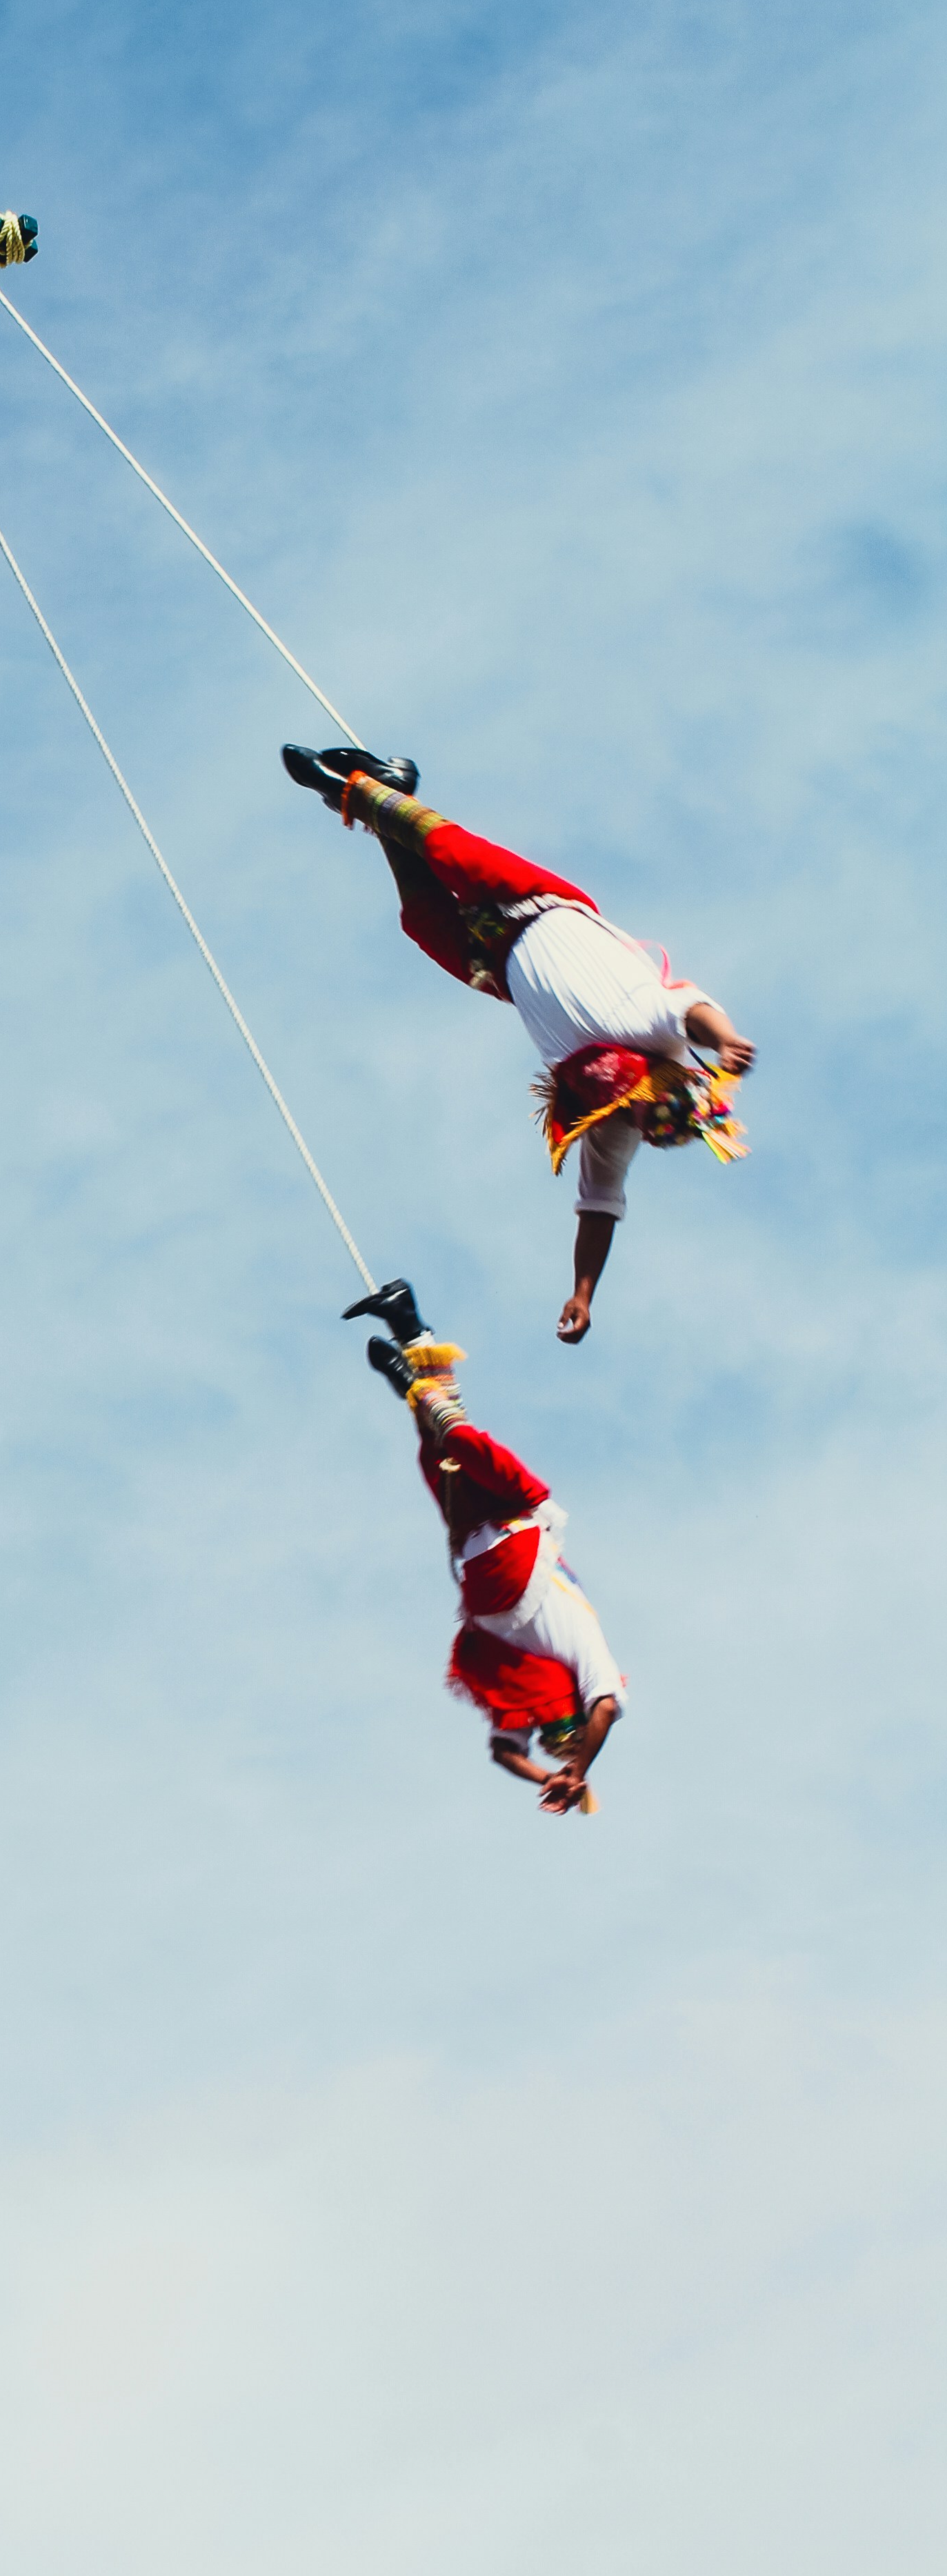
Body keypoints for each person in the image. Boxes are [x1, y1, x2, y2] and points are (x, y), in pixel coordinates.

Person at [283, 745, 752, 1341]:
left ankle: (384, 793)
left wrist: (583, 1293)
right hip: (537, 903)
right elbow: (693, 1010)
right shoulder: (654, 1029)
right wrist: (727, 1041)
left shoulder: (613, 1124)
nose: (625, 1103)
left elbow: (600, 1207)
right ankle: (352, 790)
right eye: (638, 1098)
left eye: (633, 1113)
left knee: (425, 920)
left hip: (498, 965)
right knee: (450, 852)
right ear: (665, 1075)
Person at [347, 1278, 626, 1810]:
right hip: (516, 1524)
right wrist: (577, 1770)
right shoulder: (583, 1656)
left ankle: (408, 1323)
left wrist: (548, 1774)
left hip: (480, 1548)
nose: (544, 1717)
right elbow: (606, 1708)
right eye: (557, 1722)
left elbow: (504, 1751)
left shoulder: (525, 1683)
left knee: (439, 1448)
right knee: (456, 1439)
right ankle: (411, 1377)